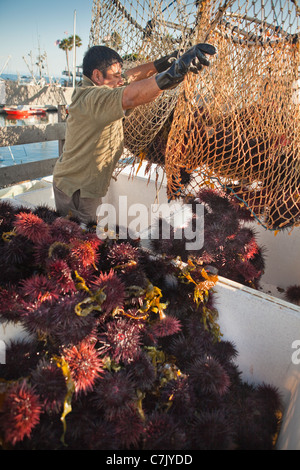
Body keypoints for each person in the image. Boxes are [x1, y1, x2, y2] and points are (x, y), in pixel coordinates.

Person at [52, 43, 216, 224]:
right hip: (77, 190)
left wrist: (162, 64)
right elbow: (131, 96)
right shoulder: (92, 98)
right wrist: (174, 73)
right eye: (115, 77)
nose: (121, 80)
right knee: (81, 240)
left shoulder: (102, 86)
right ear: (97, 76)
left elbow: (131, 77)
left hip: (81, 182)